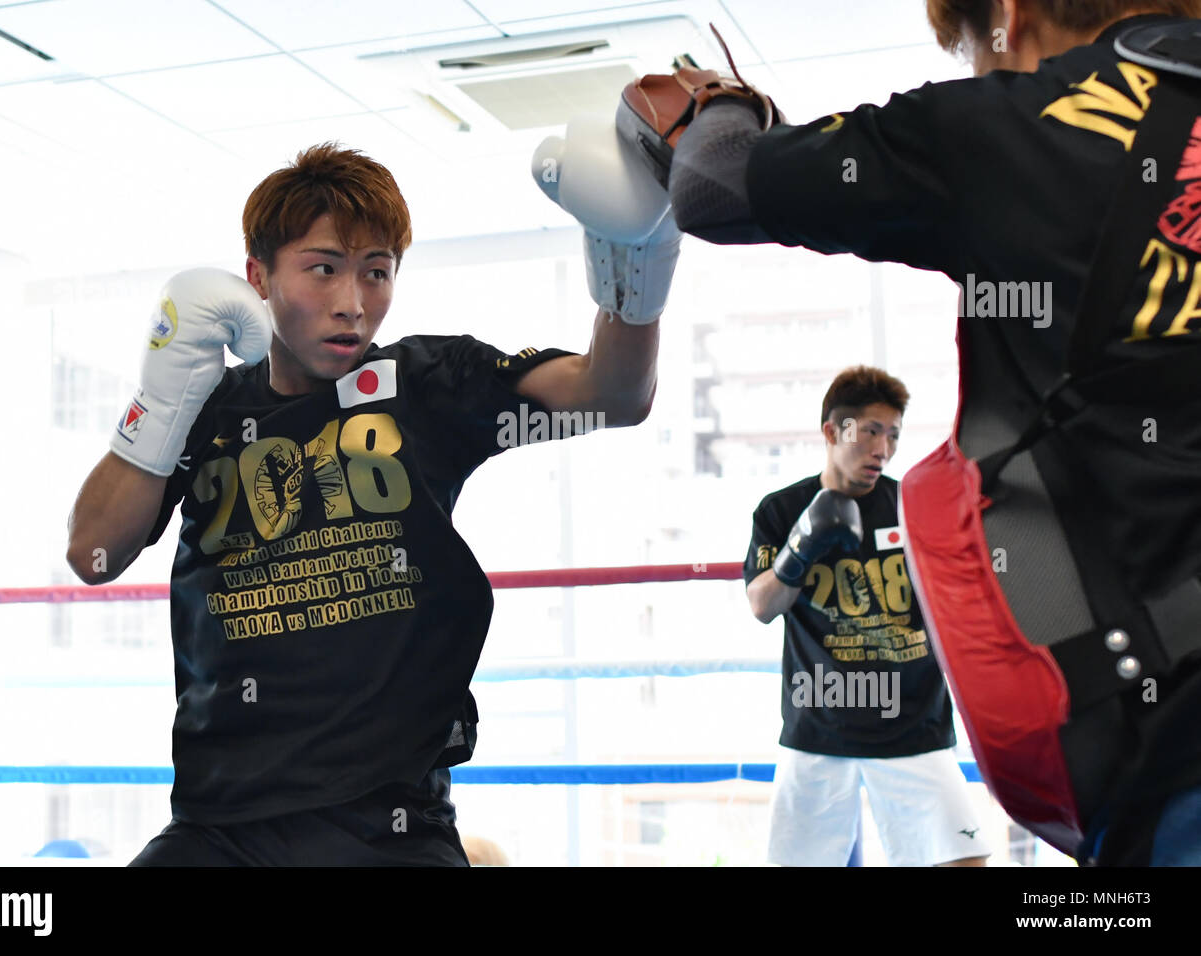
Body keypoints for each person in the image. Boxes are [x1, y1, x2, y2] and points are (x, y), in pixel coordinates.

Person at [624, 0, 1201, 865]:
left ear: (1006, 14)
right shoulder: (790, 505)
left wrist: (721, 103)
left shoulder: (1010, 126)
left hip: (1166, 752)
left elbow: (714, 183)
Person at [64, 132, 680, 865]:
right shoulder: (204, 409)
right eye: (322, 270)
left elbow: (611, 395)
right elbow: (93, 553)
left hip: (389, 822)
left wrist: (636, 259)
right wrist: (160, 403)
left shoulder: (423, 383)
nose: (353, 305)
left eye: (377, 273)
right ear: (257, 276)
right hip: (217, 824)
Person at [744, 366, 989, 867]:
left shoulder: (915, 507)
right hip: (818, 725)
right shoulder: (782, 509)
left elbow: (963, 599)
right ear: (833, 431)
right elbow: (762, 606)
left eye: (894, 434)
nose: (883, 448)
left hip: (912, 723)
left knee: (964, 862)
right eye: (871, 431)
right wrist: (801, 546)